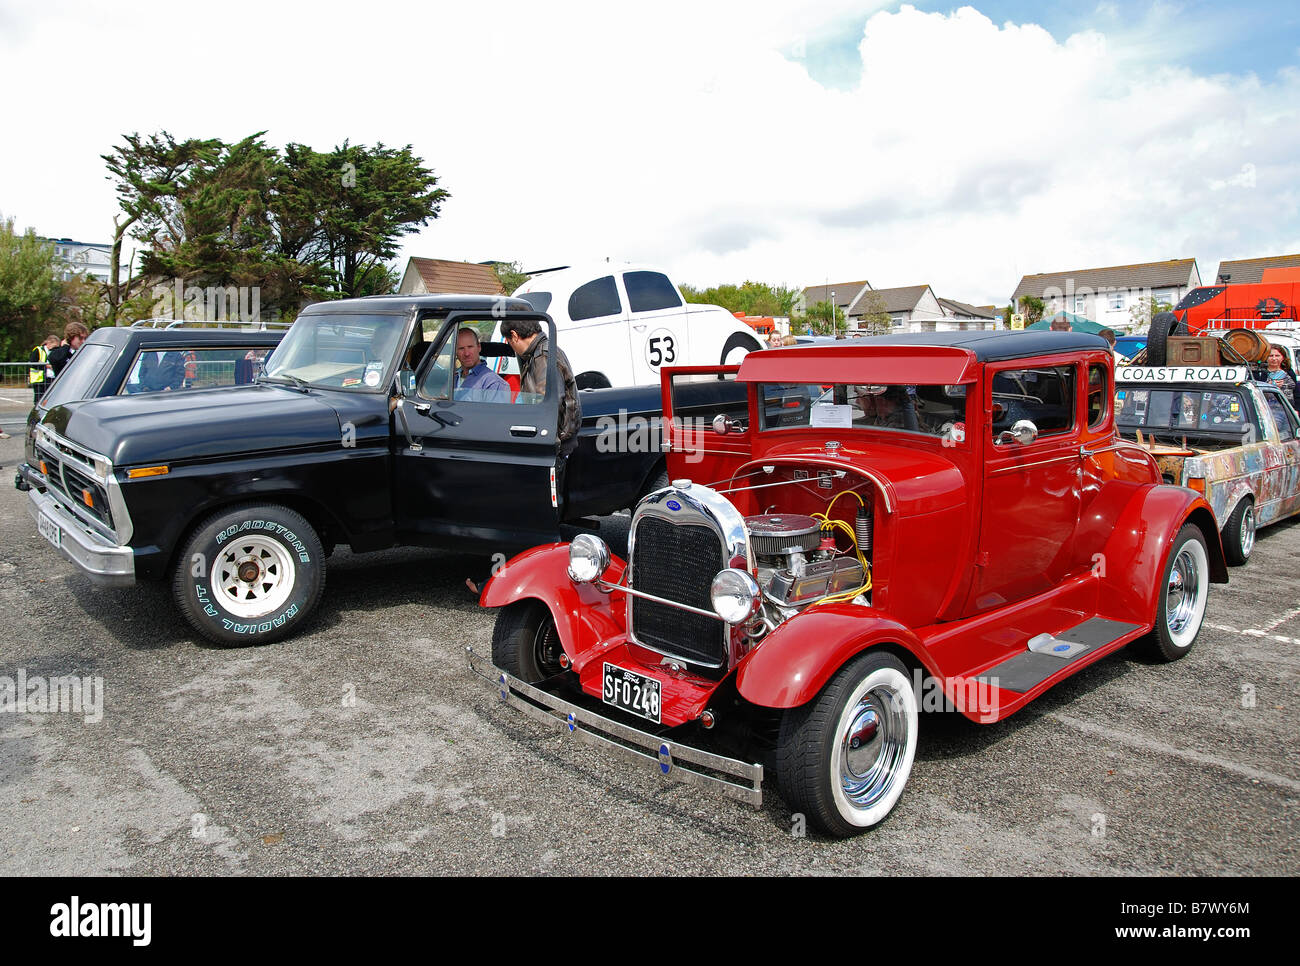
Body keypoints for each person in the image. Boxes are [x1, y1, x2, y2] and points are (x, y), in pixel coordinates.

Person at [500, 317, 579, 446]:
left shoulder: (542, 356)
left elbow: (548, 405)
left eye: (509, 342)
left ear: (514, 335)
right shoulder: (543, 352)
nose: (512, 347)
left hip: (554, 442)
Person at [452, 327, 510, 401]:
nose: (466, 353)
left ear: (479, 347)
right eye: (461, 348)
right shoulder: (452, 379)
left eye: (470, 347)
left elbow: (496, 412)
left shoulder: (493, 383)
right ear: (455, 351)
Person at [28, 334, 60, 404]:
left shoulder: (55, 352)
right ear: (48, 343)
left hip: (51, 378)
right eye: (54, 346)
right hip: (39, 379)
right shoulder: (38, 350)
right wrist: (46, 366)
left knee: (50, 399)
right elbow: (32, 363)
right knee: (39, 400)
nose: (55, 349)